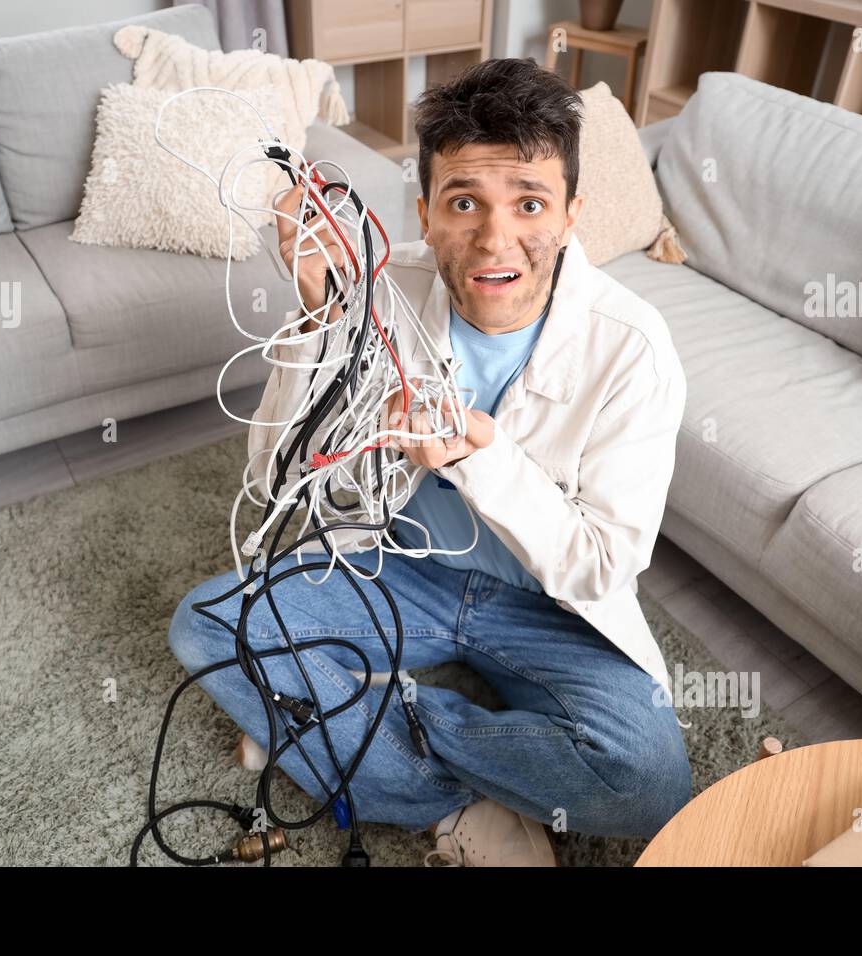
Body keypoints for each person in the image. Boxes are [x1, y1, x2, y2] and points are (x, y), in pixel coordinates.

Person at [167, 57, 692, 866]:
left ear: (572, 213)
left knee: (648, 779)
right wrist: (318, 316)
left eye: (529, 204)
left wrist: (489, 459)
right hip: (397, 571)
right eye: (463, 203)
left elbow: (598, 566)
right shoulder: (379, 287)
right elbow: (277, 476)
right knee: (208, 628)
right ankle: (448, 800)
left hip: (542, 605)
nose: (495, 239)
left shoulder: (633, 349)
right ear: (426, 212)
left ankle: (343, 718)